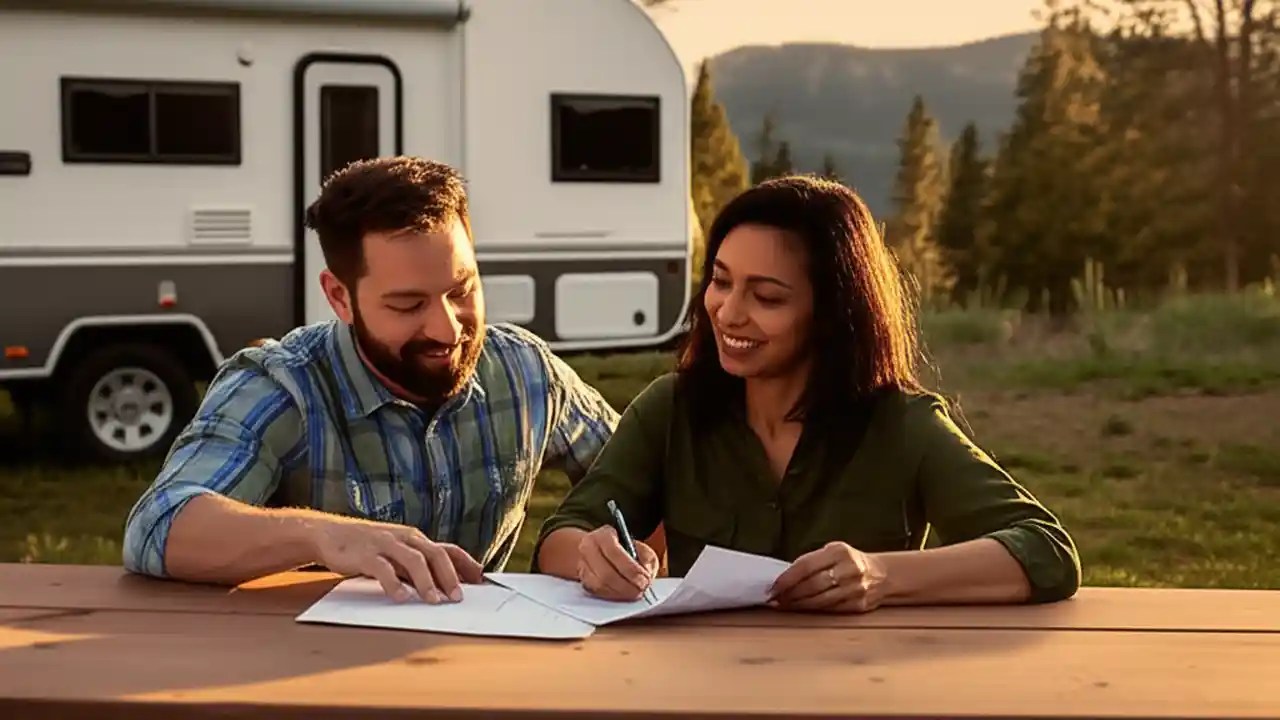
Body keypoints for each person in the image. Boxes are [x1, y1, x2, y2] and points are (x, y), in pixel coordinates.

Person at [533, 175, 1081, 613]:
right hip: (702, 693)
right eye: (721, 282)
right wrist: (591, 555)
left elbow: (1046, 551)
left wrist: (882, 575)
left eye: (766, 296)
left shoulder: (901, 424)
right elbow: (560, 535)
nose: (727, 311)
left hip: (861, 693)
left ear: (834, 315)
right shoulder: (672, 408)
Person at [122, 156, 621, 605]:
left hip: (476, 672)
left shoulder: (524, 371)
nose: (448, 328)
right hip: (309, 679)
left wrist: (600, 552)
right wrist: (324, 537)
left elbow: (653, 475)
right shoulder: (282, 386)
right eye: (408, 305)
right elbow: (158, 528)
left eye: (461, 290)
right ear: (340, 297)